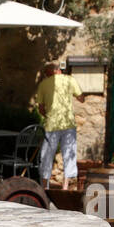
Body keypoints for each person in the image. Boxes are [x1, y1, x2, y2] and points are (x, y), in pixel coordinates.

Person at [35, 60, 84, 190]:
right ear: (58, 70)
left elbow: (41, 109)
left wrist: (48, 115)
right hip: (68, 124)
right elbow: (81, 98)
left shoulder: (43, 84)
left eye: (46, 73)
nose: (46, 76)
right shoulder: (70, 80)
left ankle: (45, 187)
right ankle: (65, 186)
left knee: (47, 156)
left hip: (52, 125)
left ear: (50, 72)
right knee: (69, 154)